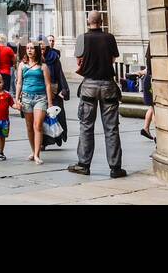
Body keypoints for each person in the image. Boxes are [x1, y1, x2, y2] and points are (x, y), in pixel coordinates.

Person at [67, 11, 127, 178]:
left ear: (88, 21)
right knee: (111, 128)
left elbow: (79, 61)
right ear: (102, 21)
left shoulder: (82, 38)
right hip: (108, 84)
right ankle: (115, 168)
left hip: (89, 85)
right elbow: (113, 59)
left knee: (86, 126)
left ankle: (83, 164)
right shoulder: (109, 38)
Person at [15, 40, 54, 164]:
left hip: (40, 98)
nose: (29, 50)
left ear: (36, 50)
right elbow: (19, 82)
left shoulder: (43, 66)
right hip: (26, 98)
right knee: (29, 126)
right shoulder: (22, 65)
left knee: (37, 125)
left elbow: (48, 85)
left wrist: (50, 102)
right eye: (28, 48)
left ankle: (37, 154)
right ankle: (33, 151)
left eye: (32, 48)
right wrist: (16, 99)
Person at [41, 36, 70, 149]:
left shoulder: (54, 57)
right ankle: (44, 142)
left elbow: (60, 74)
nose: (42, 50)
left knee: (56, 114)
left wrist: (64, 89)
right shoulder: (35, 59)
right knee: (43, 117)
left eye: (44, 48)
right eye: (40, 49)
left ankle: (58, 136)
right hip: (41, 91)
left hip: (54, 90)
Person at [139, 60, 154, 140]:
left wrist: (141, 72)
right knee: (155, 108)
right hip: (151, 83)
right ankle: (158, 135)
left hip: (147, 81)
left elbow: (147, 69)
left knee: (152, 107)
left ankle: (146, 128)